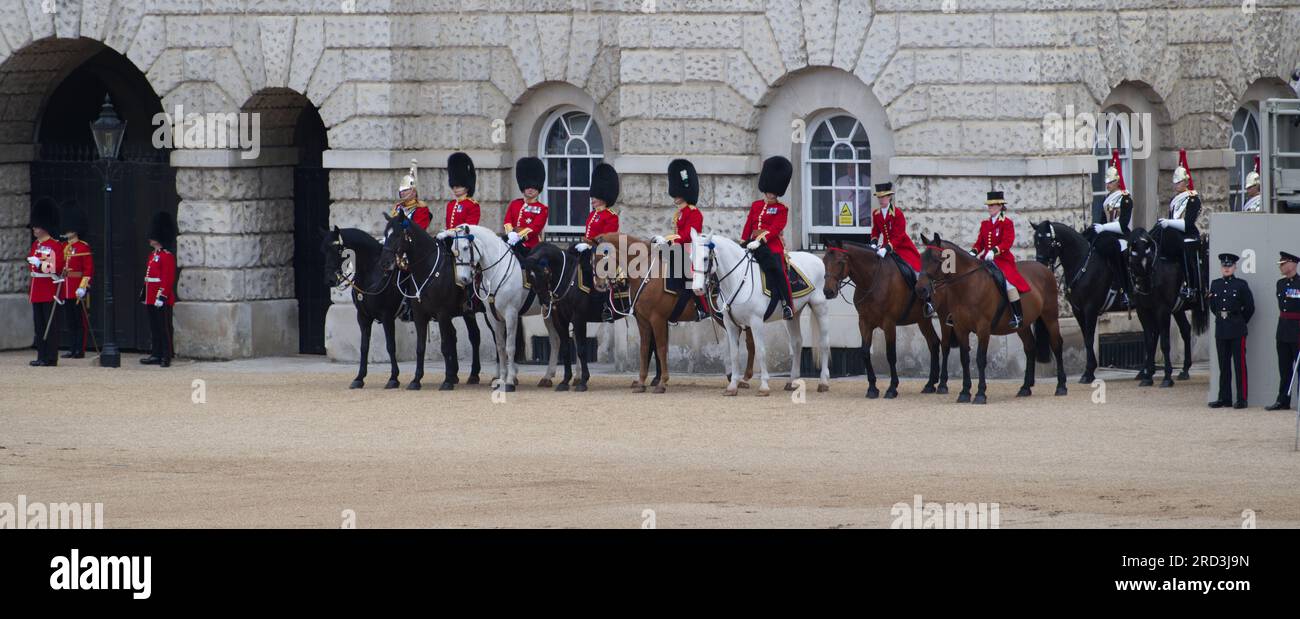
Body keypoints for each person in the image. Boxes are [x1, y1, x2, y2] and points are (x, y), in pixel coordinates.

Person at [653, 159, 707, 321]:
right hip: (678, 249)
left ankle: (702, 308)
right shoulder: (680, 213)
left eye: (678, 193)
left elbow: (690, 235)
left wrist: (669, 240)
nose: (675, 197)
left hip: (690, 250)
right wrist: (663, 242)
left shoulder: (694, 213)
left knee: (690, 278)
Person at [743, 156, 796, 321]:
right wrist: (743, 241)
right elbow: (748, 225)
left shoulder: (781, 209)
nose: (771, 194)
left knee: (779, 271)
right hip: (752, 242)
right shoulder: (756, 205)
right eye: (769, 191)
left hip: (772, 245)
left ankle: (787, 304)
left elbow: (775, 229)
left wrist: (760, 240)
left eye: (774, 192)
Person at [971, 191, 1030, 328]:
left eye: (992, 206)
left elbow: (1007, 242)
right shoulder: (985, 224)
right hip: (986, 259)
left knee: (1008, 283)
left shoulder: (1006, 223)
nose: (990, 208)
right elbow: (980, 243)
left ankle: (1017, 316)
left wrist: (994, 251)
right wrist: (973, 252)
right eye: (989, 206)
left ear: (999, 206)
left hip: (1002, 260)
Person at [574, 163, 621, 321]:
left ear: (604, 196)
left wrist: (589, 242)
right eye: (592, 196)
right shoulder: (592, 215)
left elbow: (607, 237)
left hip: (603, 252)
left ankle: (607, 307)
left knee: (606, 276)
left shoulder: (611, 216)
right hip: (589, 250)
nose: (592, 199)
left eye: (595, 196)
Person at [1156, 150, 1204, 303]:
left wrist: (1168, 223)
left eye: (1179, 182)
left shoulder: (1192, 200)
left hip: (1188, 235)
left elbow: (1187, 224)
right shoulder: (1174, 199)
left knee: (1183, 249)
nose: (1176, 185)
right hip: (1174, 234)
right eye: (1175, 182)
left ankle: (1190, 286)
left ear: (1186, 182)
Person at [1208, 253, 1254, 409]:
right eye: (1224, 266)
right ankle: (1224, 398)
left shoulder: (1241, 285)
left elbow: (1249, 308)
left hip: (1237, 329)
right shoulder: (1215, 284)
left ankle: (1242, 399)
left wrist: (1239, 321)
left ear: (1235, 267)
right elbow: (1213, 306)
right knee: (1223, 365)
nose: (1226, 268)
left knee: (1239, 365)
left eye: (1229, 266)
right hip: (1221, 328)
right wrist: (1223, 318)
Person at [1088, 150, 1134, 307]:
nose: (1107, 184)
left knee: (1118, 252)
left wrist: (1103, 227)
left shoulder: (1126, 199)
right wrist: (1097, 229)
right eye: (1106, 182)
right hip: (1107, 235)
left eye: (1110, 182)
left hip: (1121, 236)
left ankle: (1125, 290)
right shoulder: (1106, 199)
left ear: (1117, 182)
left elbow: (1122, 224)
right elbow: (1102, 220)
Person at [26, 197, 63, 367]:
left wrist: (40, 264)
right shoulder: (36, 245)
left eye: (37, 225)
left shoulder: (54, 245)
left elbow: (56, 267)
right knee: (39, 325)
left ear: (44, 226)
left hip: (48, 289)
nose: (34, 228)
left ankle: (51, 357)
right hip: (37, 289)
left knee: (50, 324)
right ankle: (41, 355)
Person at [141, 212, 178, 368]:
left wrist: (161, 296)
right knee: (154, 328)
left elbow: (168, 278)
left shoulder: (167, 256)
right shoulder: (152, 255)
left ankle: (166, 355)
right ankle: (156, 354)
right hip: (150, 296)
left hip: (160, 297)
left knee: (164, 328)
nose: (150, 238)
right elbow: (149, 277)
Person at [59, 202, 94, 359]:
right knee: (70, 320)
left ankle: (80, 348)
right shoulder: (63, 247)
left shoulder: (83, 247)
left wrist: (83, 287)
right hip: (65, 287)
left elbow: (88, 270)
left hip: (77, 287)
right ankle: (72, 347)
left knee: (80, 321)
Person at [1265, 251, 1300, 411]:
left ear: (1292, 264)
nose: (1281, 266)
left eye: (1283, 263)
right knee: (1284, 369)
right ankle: (1283, 400)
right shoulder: (1280, 284)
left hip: (1297, 330)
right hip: (1283, 330)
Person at [503, 157, 548, 261]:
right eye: (527, 186)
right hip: (511, 242)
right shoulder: (515, 204)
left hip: (531, 247)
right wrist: (510, 234)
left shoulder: (542, 209)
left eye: (534, 187)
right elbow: (507, 221)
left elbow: (534, 228)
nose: (530, 189)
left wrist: (519, 236)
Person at [391, 159, 432, 230]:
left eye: (405, 190)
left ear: (413, 192)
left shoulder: (421, 208)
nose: (402, 192)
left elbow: (419, 229)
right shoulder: (397, 207)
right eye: (401, 190)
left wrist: (404, 223)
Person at [445, 152, 480, 231]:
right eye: (453, 186)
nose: (455, 189)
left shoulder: (472, 205)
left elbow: (470, 227)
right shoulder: (450, 204)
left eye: (458, 186)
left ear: (467, 187)